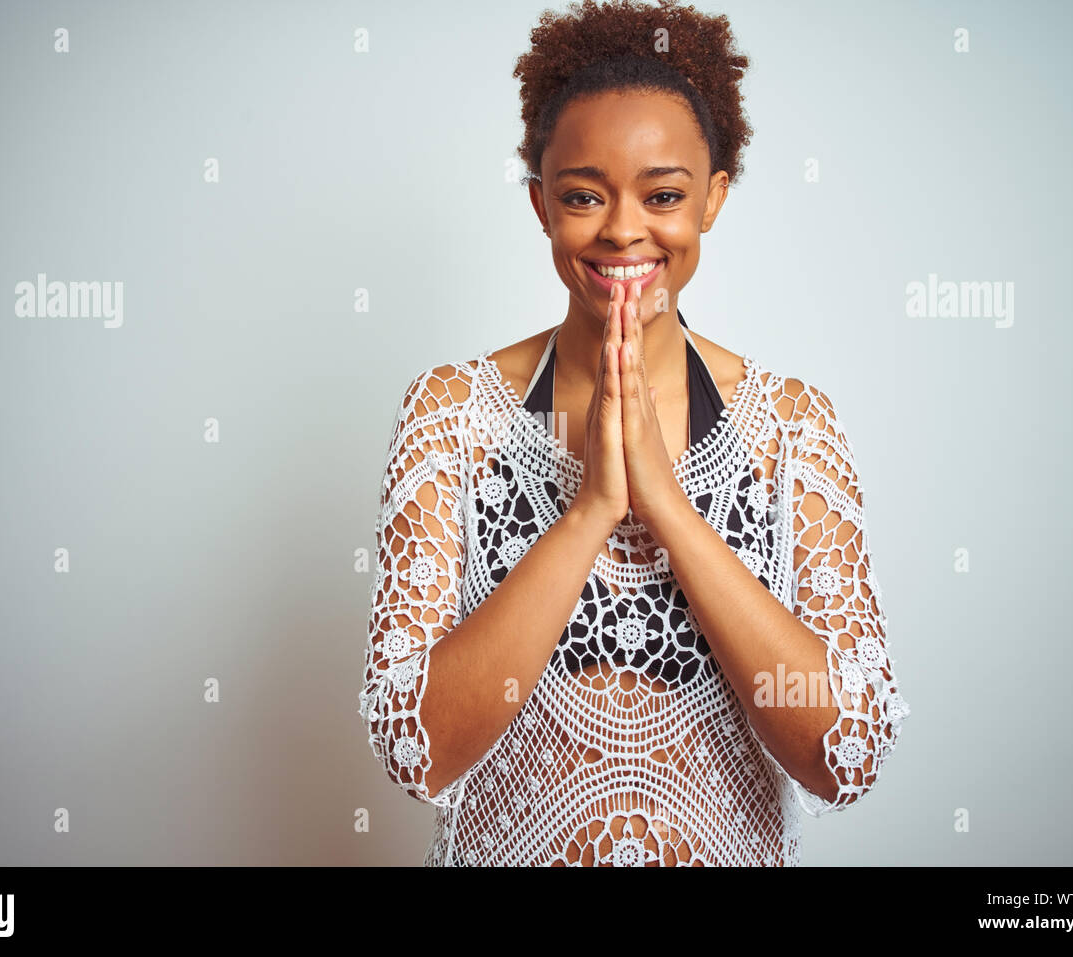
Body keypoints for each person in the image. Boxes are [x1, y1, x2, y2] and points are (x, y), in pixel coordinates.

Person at [357, 0, 910, 866]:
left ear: (714, 199)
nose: (622, 229)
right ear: (540, 203)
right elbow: (415, 748)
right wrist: (590, 512)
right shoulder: (453, 414)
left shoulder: (791, 427)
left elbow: (849, 753)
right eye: (583, 195)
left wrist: (668, 506)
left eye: (663, 195)